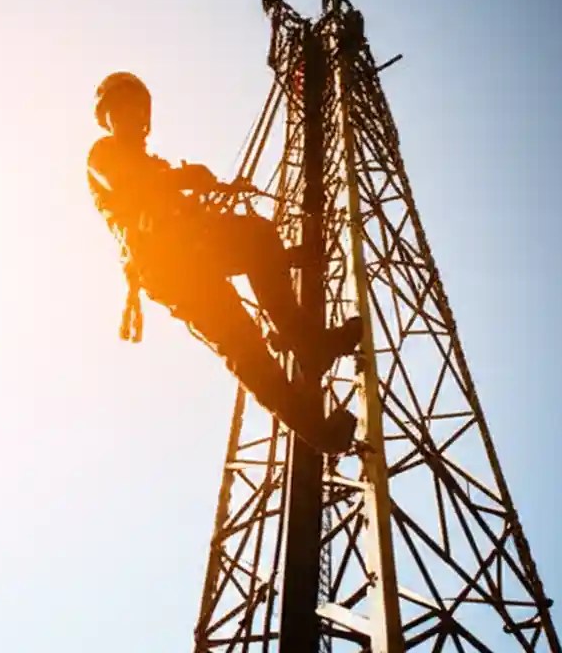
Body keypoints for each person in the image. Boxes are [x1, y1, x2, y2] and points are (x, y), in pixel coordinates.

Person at [86, 71, 360, 454]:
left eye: (134, 109)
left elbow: (173, 197)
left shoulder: (155, 165)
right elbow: (129, 185)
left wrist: (210, 188)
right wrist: (186, 177)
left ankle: (308, 342)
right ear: (107, 117)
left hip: (195, 247)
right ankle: (318, 429)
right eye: (119, 110)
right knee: (245, 347)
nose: (128, 116)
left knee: (258, 238)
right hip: (169, 269)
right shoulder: (103, 155)